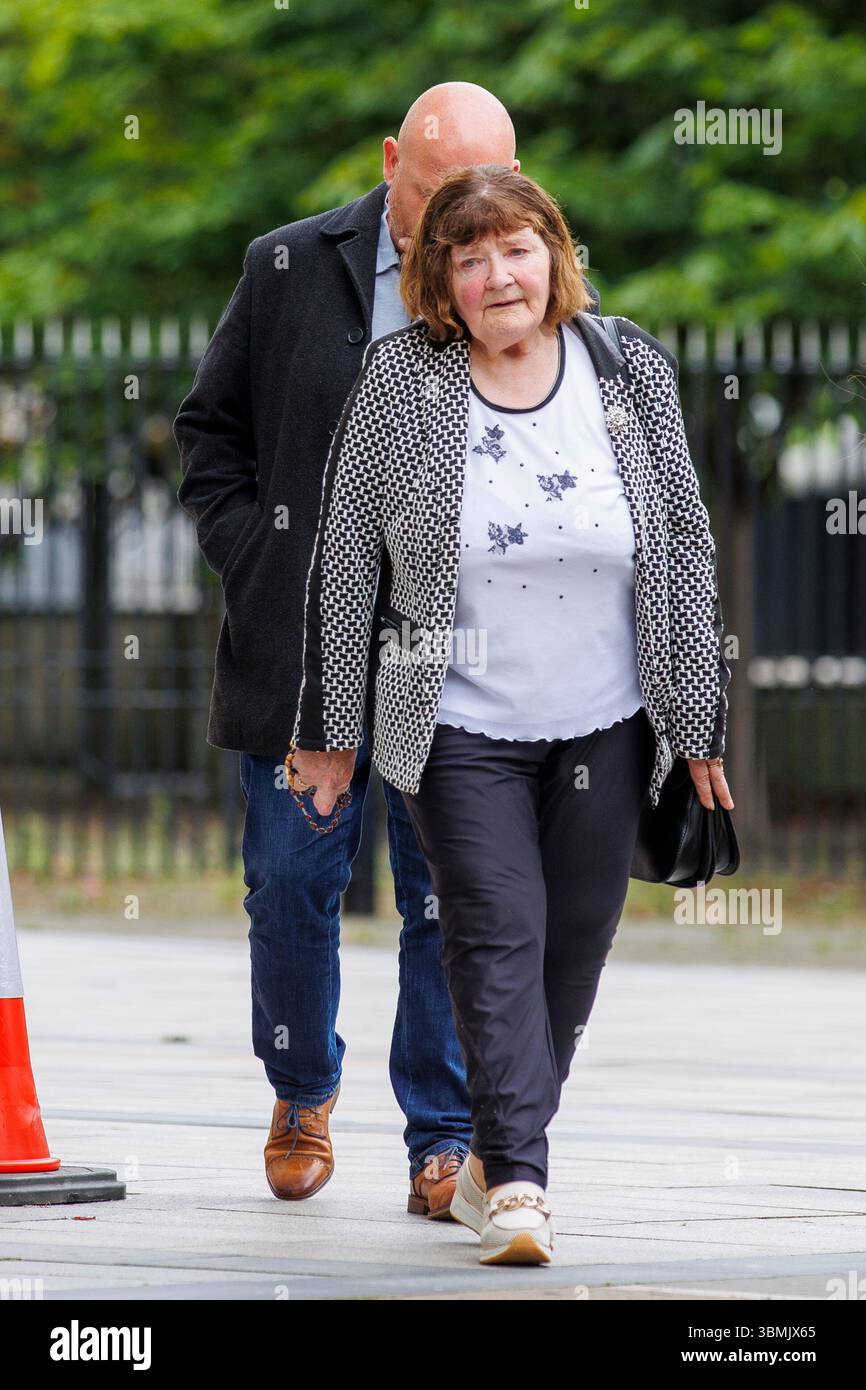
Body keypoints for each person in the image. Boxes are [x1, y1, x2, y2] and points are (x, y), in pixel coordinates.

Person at [289, 164, 734, 1265]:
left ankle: (493, 1151)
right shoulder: (402, 383)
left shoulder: (624, 364)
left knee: (571, 948)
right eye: (470, 256)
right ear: (440, 278)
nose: (499, 276)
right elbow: (346, 560)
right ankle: (522, 1182)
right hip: (455, 719)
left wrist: (697, 716)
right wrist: (329, 728)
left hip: (605, 718)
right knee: (492, 930)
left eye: (518, 248)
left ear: (554, 255)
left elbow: (681, 539)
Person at [175, 84, 606, 1217]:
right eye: (427, 194)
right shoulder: (284, 267)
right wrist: (257, 560)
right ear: (386, 163)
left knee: (446, 900)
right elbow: (206, 430)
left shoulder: (509, 289)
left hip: (449, 654)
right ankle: (301, 1086)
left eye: (476, 196)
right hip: (293, 650)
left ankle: (441, 1134)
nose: (448, 222)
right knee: (288, 882)